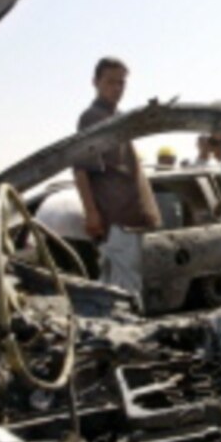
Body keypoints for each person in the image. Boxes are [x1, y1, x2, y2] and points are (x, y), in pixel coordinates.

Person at [73, 57, 162, 294]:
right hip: (116, 219)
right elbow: (81, 169)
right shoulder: (92, 117)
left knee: (122, 290)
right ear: (95, 82)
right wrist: (91, 213)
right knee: (125, 293)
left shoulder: (118, 117)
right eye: (111, 82)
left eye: (121, 83)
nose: (117, 88)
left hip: (132, 218)